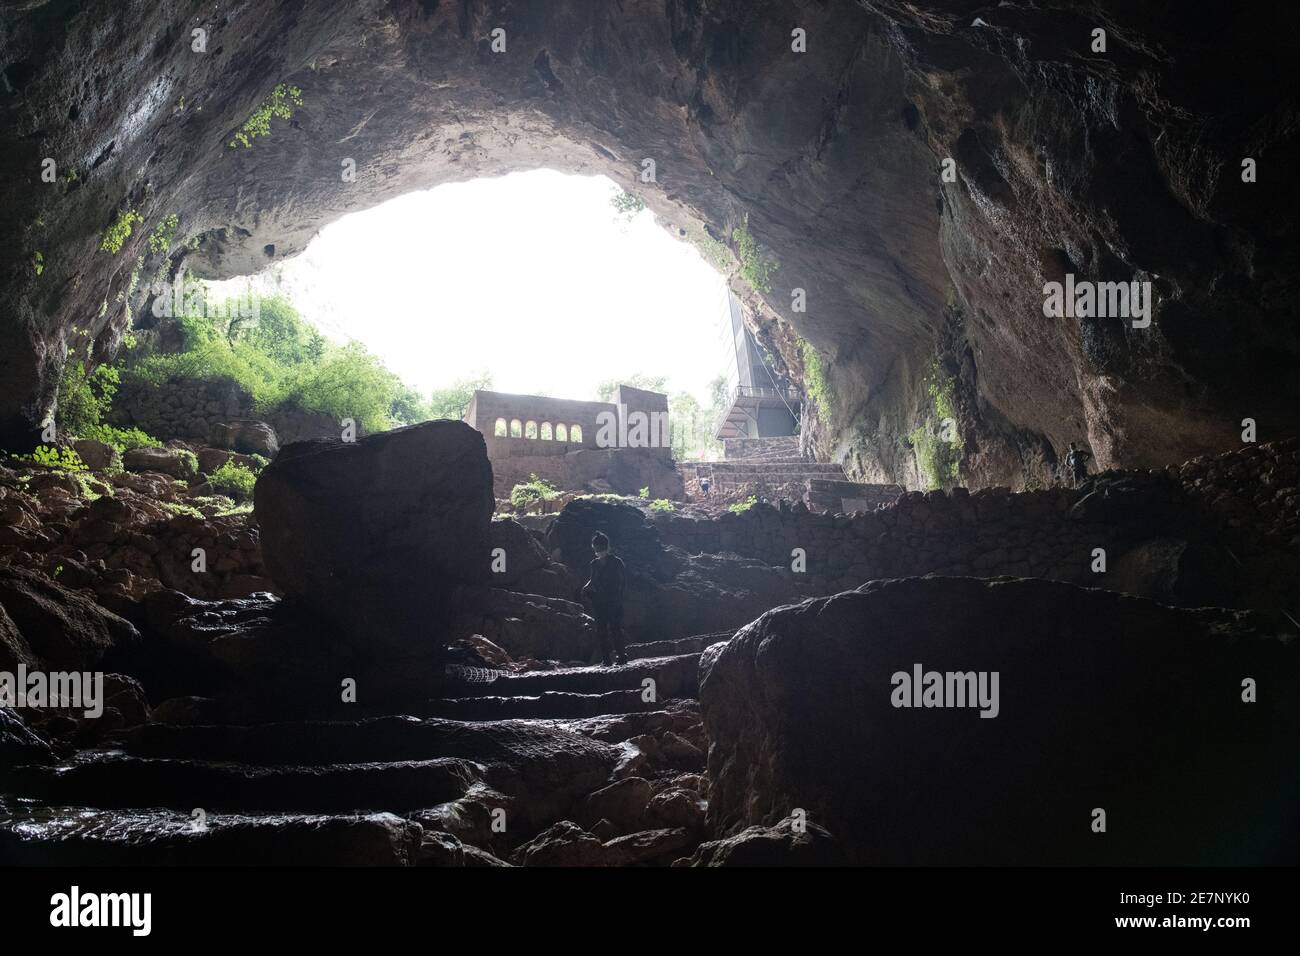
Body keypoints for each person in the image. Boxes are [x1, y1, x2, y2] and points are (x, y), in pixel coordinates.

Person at [581, 532, 627, 666]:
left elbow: (622, 583)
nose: (598, 552)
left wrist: (618, 599)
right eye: (596, 549)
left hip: (613, 600)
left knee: (615, 628)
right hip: (599, 601)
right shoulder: (594, 564)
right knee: (601, 630)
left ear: (607, 548)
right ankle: (606, 659)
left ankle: (621, 656)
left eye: (600, 549)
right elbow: (593, 579)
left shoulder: (616, 562)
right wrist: (587, 587)